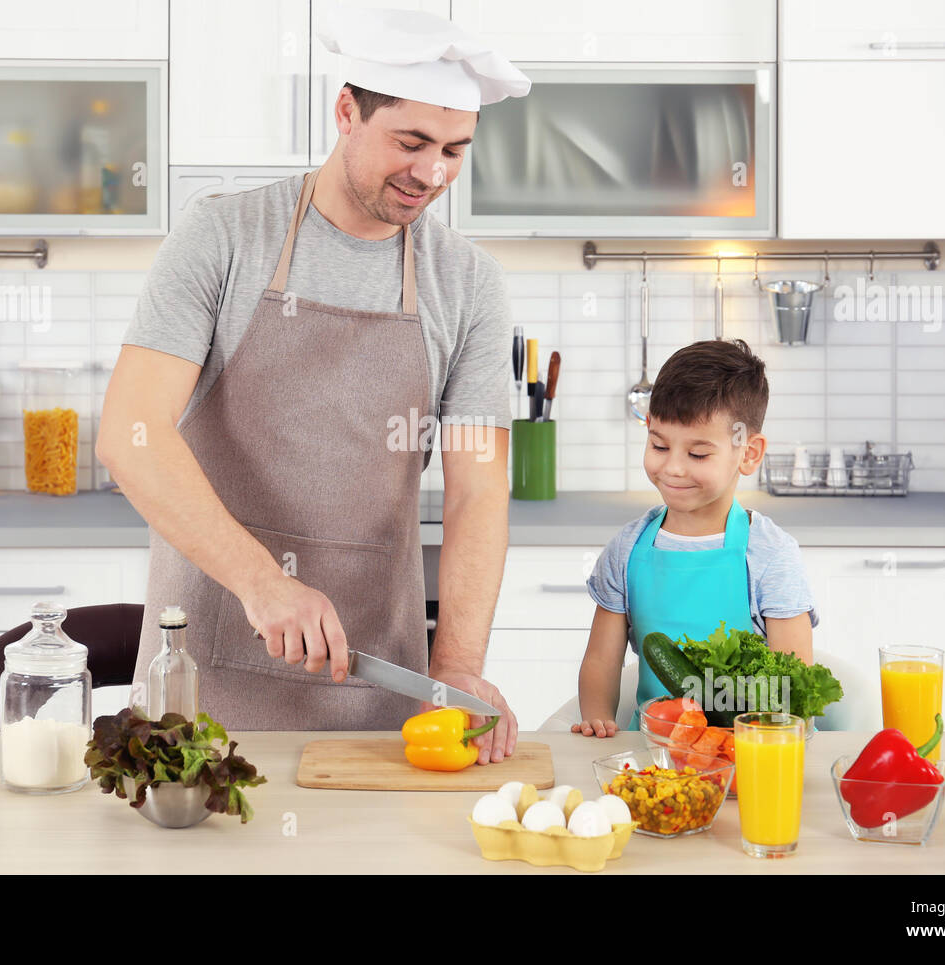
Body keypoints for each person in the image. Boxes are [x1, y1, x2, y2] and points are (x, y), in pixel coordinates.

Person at [97, 7, 529, 762]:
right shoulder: (224, 236)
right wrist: (263, 583)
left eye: (455, 150)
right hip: (205, 683)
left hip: (380, 695)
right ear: (345, 113)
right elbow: (132, 435)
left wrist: (456, 669)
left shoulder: (469, 283)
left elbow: (477, 491)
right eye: (411, 142)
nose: (432, 173)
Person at [573, 338, 819, 736]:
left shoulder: (771, 555)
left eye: (698, 454)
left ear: (749, 453)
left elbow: (794, 684)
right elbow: (602, 660)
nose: (672, 468)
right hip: (655, 753)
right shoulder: (627, 548)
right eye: (659, 444)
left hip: (750, 751)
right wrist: (597, 719)